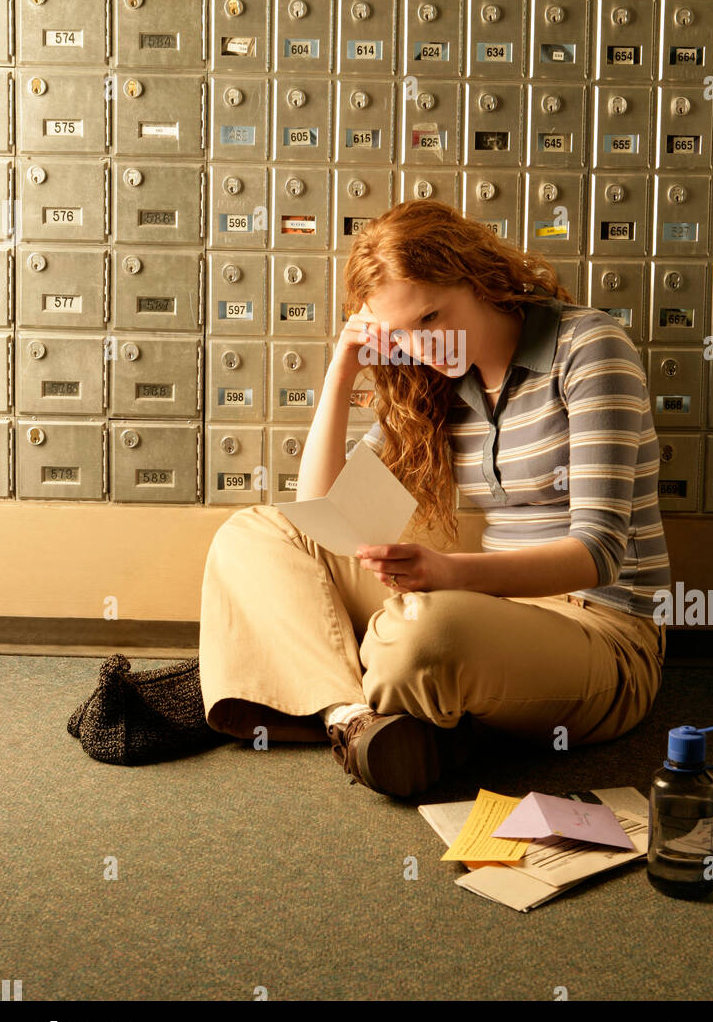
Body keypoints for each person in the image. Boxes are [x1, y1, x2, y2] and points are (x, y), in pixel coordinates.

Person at [199, 200, 672, 797]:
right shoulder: (438, 383)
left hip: (601, 630)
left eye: (430, 317)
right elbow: (322, 516)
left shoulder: (587, 346)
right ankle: (352, 720)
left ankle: (334, 686)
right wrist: (343, 369)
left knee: (419, 636)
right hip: (489, 609)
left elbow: (599, 553)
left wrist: (449, 573)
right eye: (399, 334)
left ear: (477, 276)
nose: (425, 345)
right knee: (254, 533)